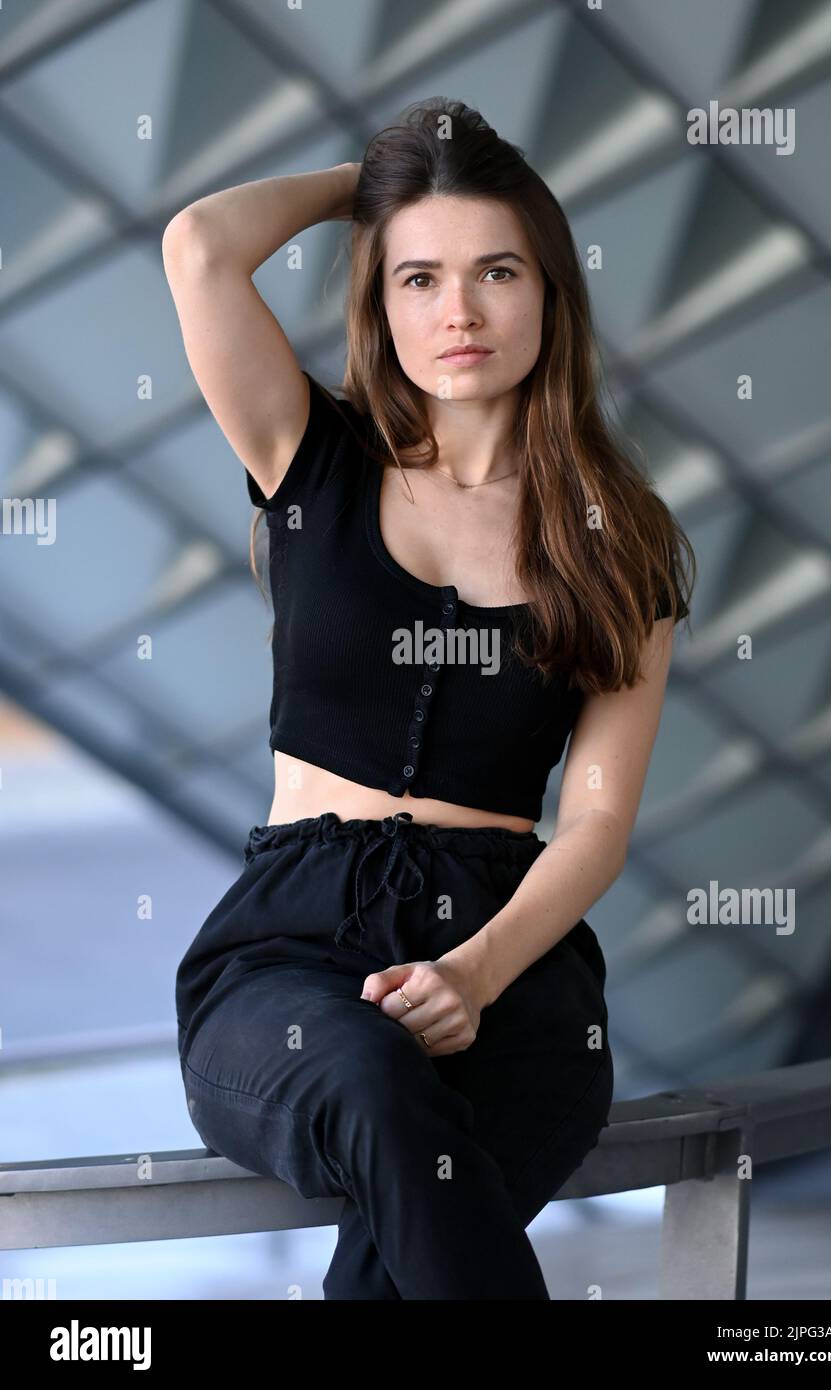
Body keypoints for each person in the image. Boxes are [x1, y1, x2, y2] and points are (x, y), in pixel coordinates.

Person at [163, 98, 694, 1300]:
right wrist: (389, 177)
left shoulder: (620, 544)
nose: (456, 311)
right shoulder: (311, 461)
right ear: (381, 297)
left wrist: (477, 973)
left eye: (496, 270)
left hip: (517, 965)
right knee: (364, 1082)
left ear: (550, 290)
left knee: (400, 1252)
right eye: (418, 277)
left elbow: (599, 822)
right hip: (291, 952)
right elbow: (200, 244)